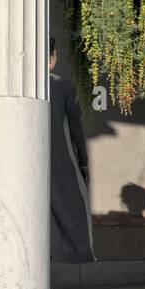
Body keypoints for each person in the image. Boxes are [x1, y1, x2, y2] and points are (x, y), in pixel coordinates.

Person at [49, 38, 95, 264]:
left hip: (27, 162)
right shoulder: (62, 86)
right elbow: (76, 128)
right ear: (51, 59)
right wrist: (83, 163)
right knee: (70, 213)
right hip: (56, 160)